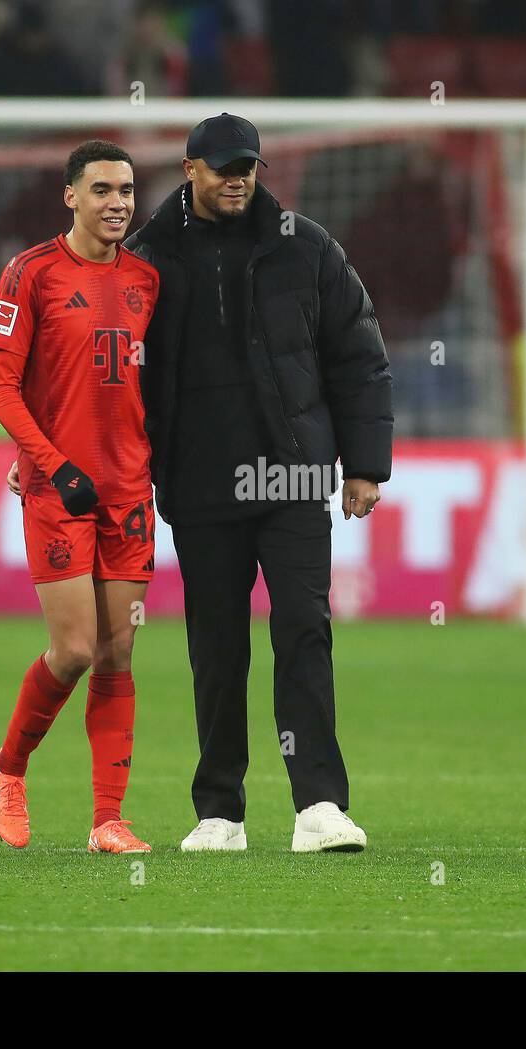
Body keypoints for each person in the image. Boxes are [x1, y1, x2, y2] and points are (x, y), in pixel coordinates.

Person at [124, 113, 393, 853]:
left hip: (291, 474)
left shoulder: (306, 249)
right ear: (190, 171)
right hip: (201, 479)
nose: (237, 177)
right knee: (216, 644)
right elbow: (113, 373)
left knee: (304, 626)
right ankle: (220, 810)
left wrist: (366, 463)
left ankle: (319, 805)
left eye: (247, 166)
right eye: (222, 167)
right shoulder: (147, 260)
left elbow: (358, 354)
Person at [0, 140, 159, 855]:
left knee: (119, 650)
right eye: (101, 190)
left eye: (124, 190)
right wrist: (52, 466)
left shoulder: (149, 279)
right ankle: (8, 767)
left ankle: (107, 820)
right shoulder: (30, 272)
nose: (117, 201)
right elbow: (1, 388)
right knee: (76, 648)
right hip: (59, 488)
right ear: (71, 196)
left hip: (129, 487)